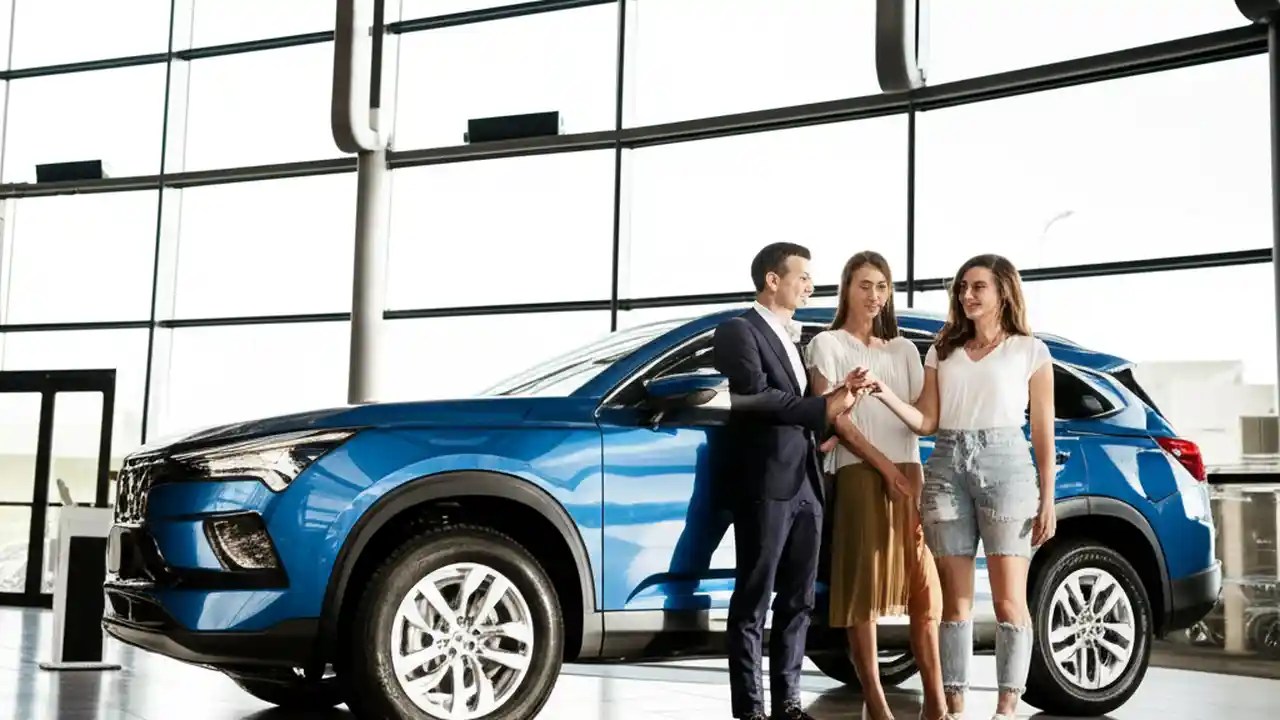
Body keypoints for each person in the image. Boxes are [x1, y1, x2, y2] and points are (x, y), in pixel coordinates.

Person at [858, 254, 1057, 720]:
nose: (967, 295)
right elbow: (926, 422)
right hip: (946, 465)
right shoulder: (942, 350)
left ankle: (1007, 707)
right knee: (955, 602)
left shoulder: (1030, 351)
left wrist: (1047, 498)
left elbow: (1043, 432)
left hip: (1007, 467)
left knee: (1010, 601)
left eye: (978, 287)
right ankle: (954, 705)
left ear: (1003, 292)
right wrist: (884, 393)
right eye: (963, 287)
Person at [712, 241, 859, 720]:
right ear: (772, 280)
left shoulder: (795, 340)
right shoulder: (739, 329)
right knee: (754, 597)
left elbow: (796, 412)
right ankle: (751, 709)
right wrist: (825, 405)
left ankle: (789, 704)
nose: (810, 286)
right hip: (767, 484)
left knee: (798, 602)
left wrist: (832, 419)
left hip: (807, 483)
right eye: (802, 277)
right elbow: (752, 398)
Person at [805, 251, 945, 720]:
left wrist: (911, 478)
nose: (874, 295)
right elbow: (835, 421)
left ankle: (937, 705)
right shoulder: (827, 344)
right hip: (860, 474)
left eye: (882, 286)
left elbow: (917, 422)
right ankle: (877, 705)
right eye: (865, 285)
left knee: (925, 594)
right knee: (863, 593)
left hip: (909, 473)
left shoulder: (904, 351)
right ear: (846, 288)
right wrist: (886, 470)